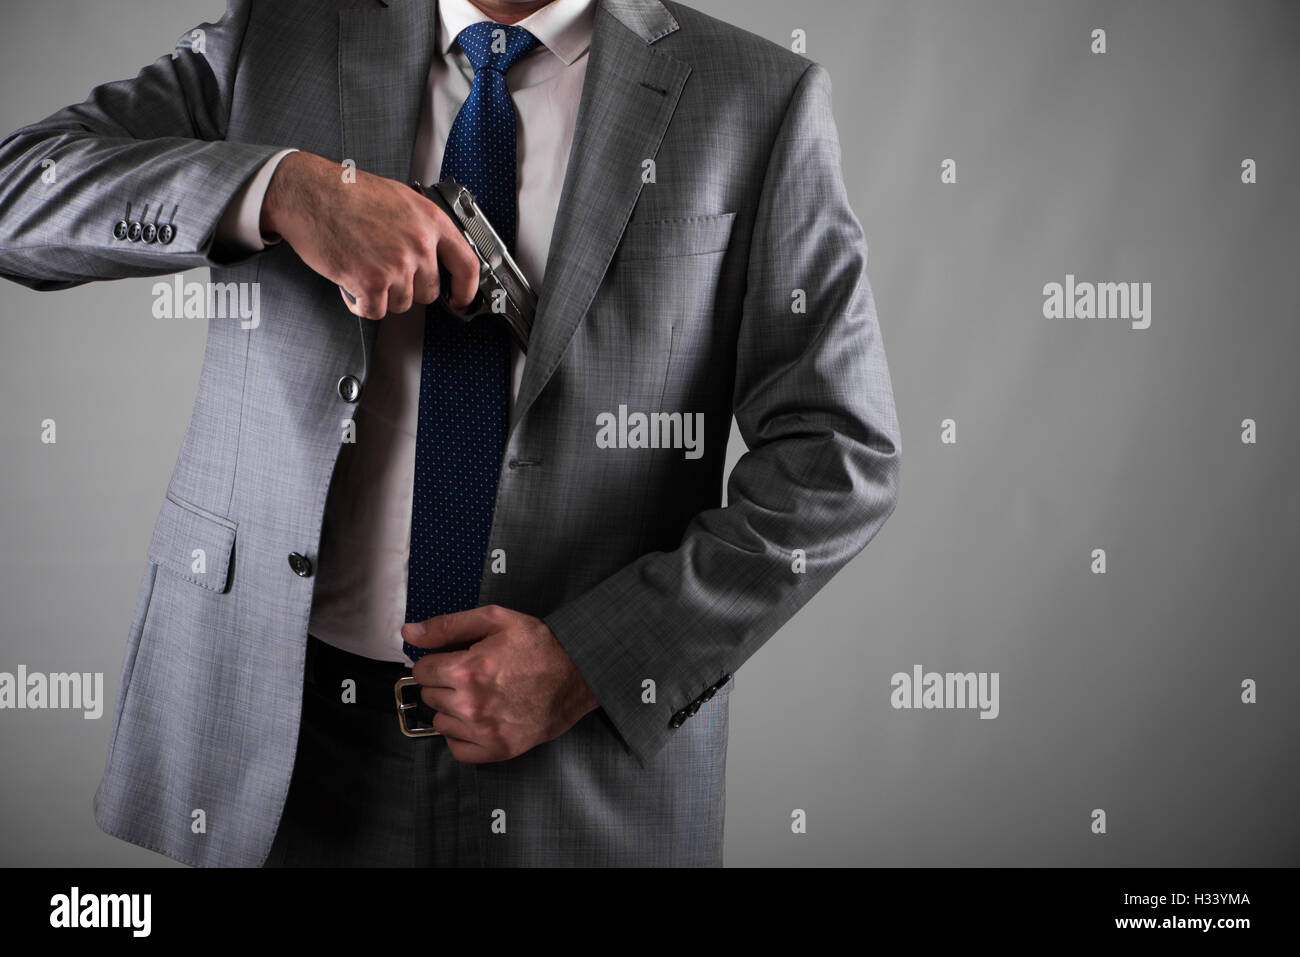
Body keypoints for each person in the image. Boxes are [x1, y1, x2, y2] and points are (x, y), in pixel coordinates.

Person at [0, 0, 901, 866]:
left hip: (579, 770)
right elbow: (19, 191)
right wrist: (281, 189)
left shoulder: (757, 97)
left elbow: (838, 456)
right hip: (276, 757)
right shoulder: (277, 33)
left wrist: (589, 662)